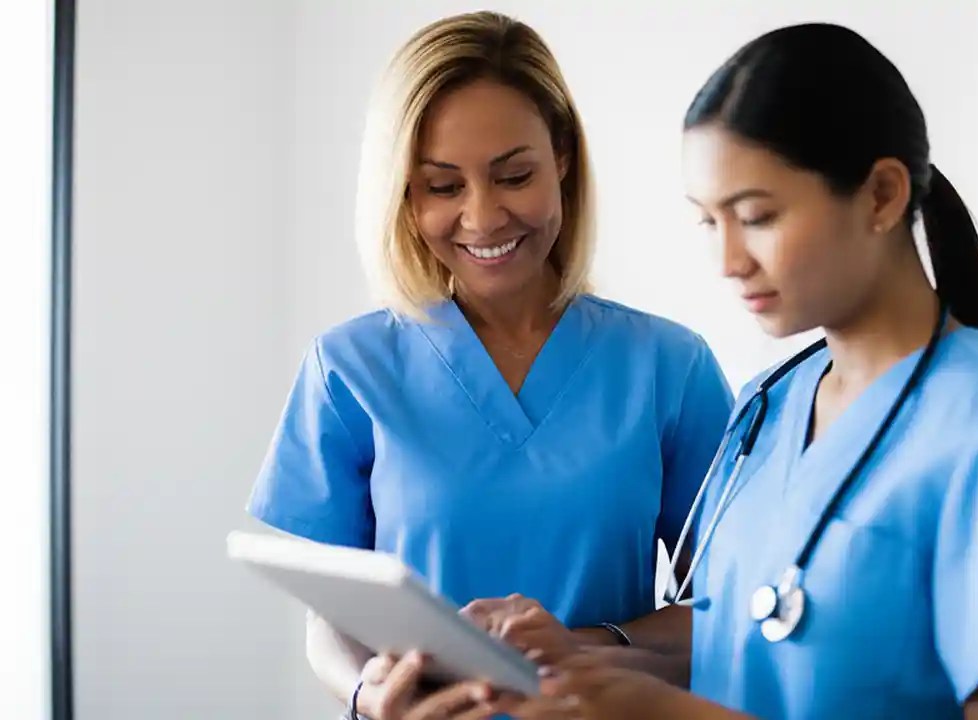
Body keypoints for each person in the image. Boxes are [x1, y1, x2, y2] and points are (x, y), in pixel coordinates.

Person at [487, 21, 978, 720]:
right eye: (711, 223)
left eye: (758, 216)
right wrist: (570, 659)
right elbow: (734, 642)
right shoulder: (765, 410)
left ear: (882, 196)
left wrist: (667, 715)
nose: (728, 261)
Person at [244, 11, 733, 720]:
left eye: (513, 175)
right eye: (443, 187)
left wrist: (581, 649)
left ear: (562, 155)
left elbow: (725, 613)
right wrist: (366, 691)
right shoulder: (347, 369)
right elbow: (330, 619)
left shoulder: (669, 368)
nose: (483, 217)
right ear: (404, 196)